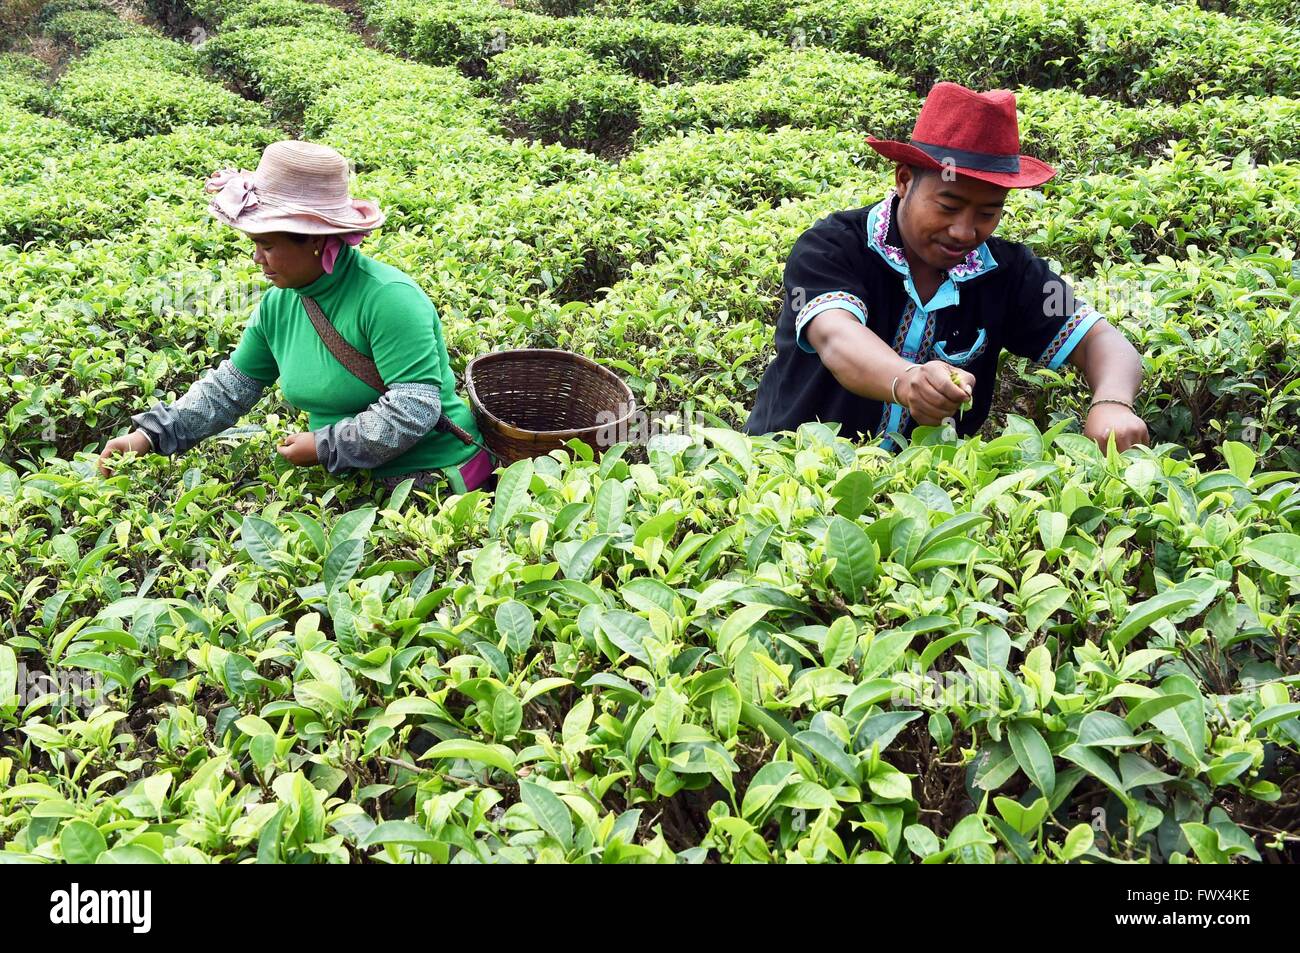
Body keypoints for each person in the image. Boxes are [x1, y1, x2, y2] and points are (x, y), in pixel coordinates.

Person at [744, 82, 1149, 453]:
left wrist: (1112, 404)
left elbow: (1103, 342)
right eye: (948, 206)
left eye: (989, 213)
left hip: (927, 497)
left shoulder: (1009, 272)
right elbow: (836, 336)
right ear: (904, 180)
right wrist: (906, 380)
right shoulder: (833, 246)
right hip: (795, 477)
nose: (964, 230)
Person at [97, 140, 494, 495]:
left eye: (267, 245)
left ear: (317, 239)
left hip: (430, 482)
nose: (257, 259)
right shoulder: (279, 304)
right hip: (346, 479)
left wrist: (326, 445)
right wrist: (149, 436)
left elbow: (414, 408)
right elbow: (228, 390)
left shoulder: (389, 299)